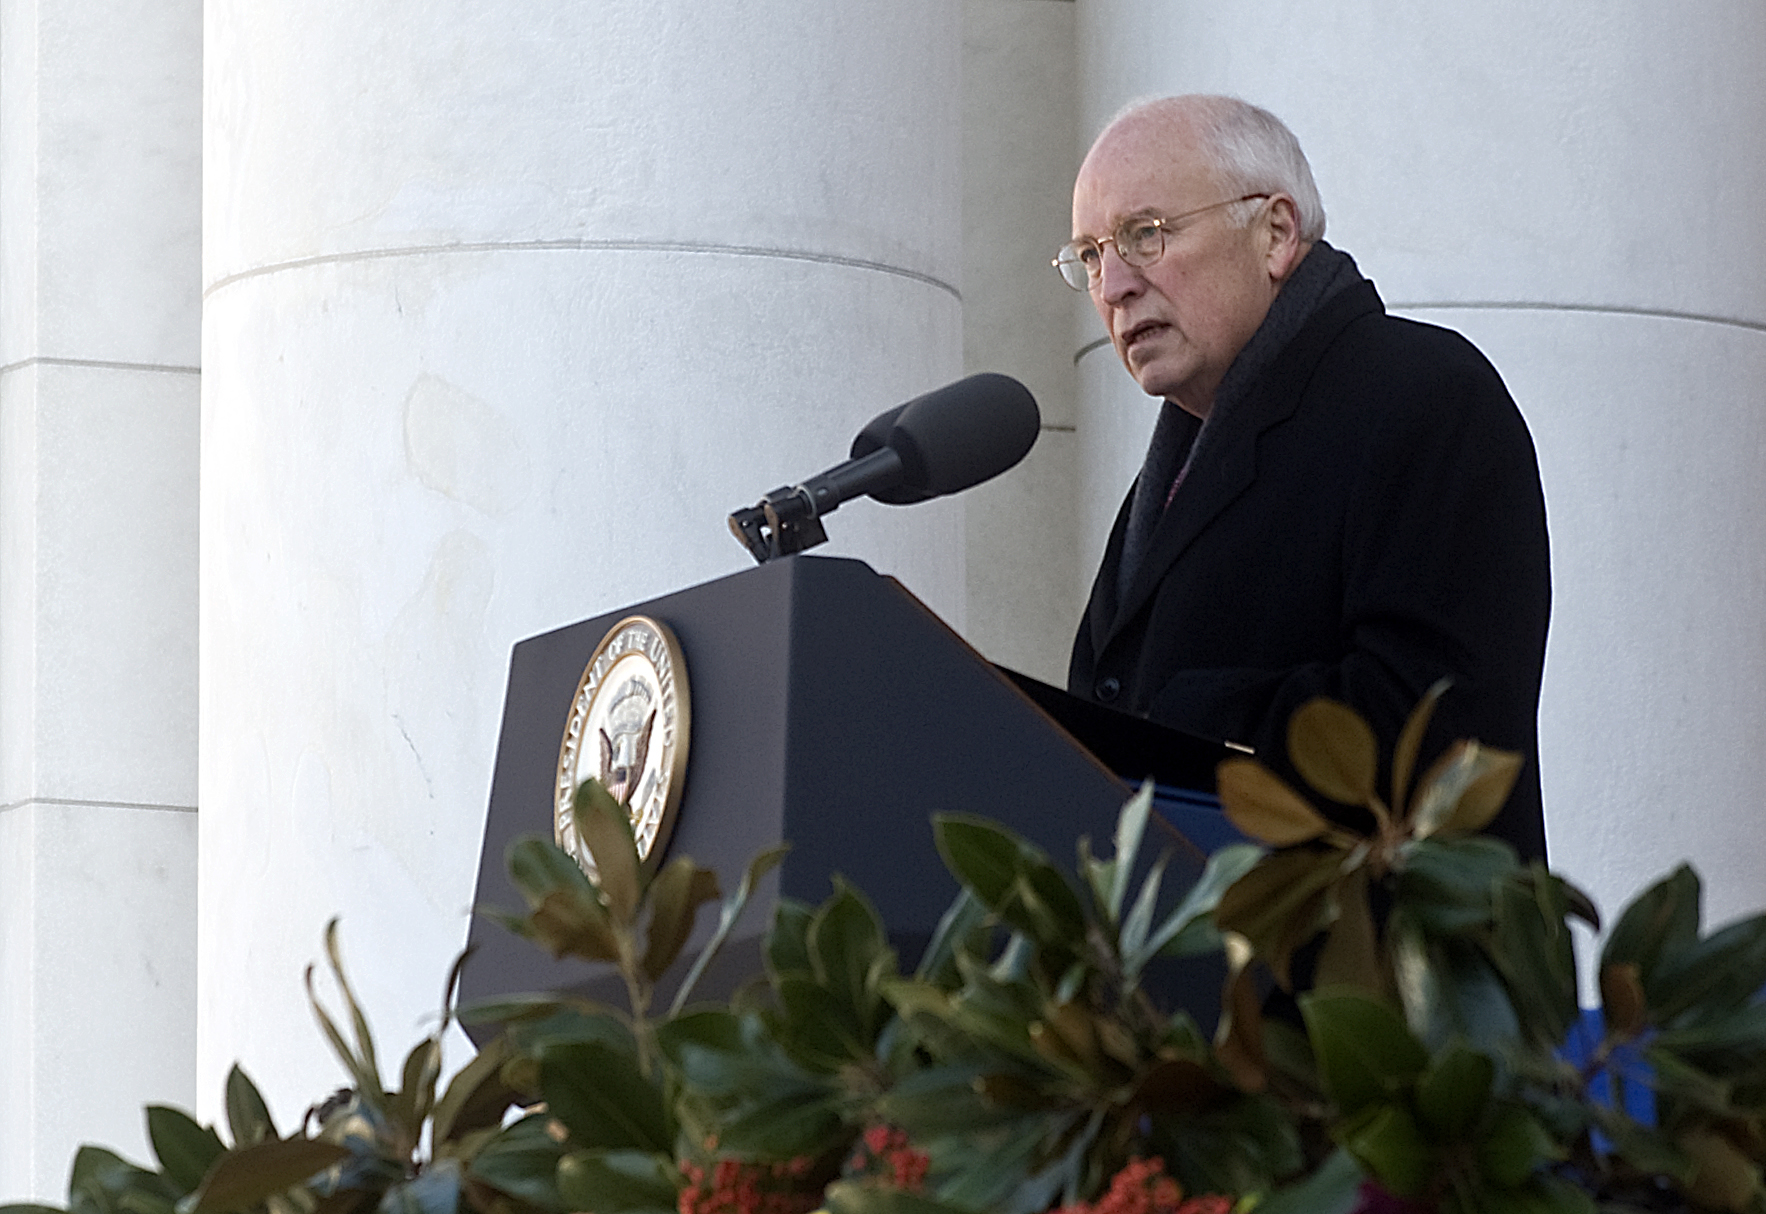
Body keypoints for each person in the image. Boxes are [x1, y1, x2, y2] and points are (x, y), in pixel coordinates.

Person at [1060, 95, 1550, 859]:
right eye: (1090, 256)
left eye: (1145, 235)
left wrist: (1168, 728)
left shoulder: (1426, 395)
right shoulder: (1173, 472)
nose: (1114, 283)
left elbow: (1443, 731)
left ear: (1276, 233)